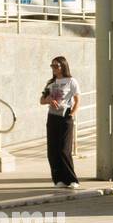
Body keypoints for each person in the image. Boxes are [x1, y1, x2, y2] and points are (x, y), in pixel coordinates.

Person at [40, 56, 80, 188]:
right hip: (52, 117)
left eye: (56, 66)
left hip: (65, 117)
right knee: (52, 150)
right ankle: (58, 180)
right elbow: (41, 100)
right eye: (52, 66)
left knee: (64, 149)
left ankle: (72, 179)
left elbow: (77, 100)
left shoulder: (71, 81)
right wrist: (49, 100)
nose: (53, 68)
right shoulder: (51, 83)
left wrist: (72, 114)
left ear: (63, 66)